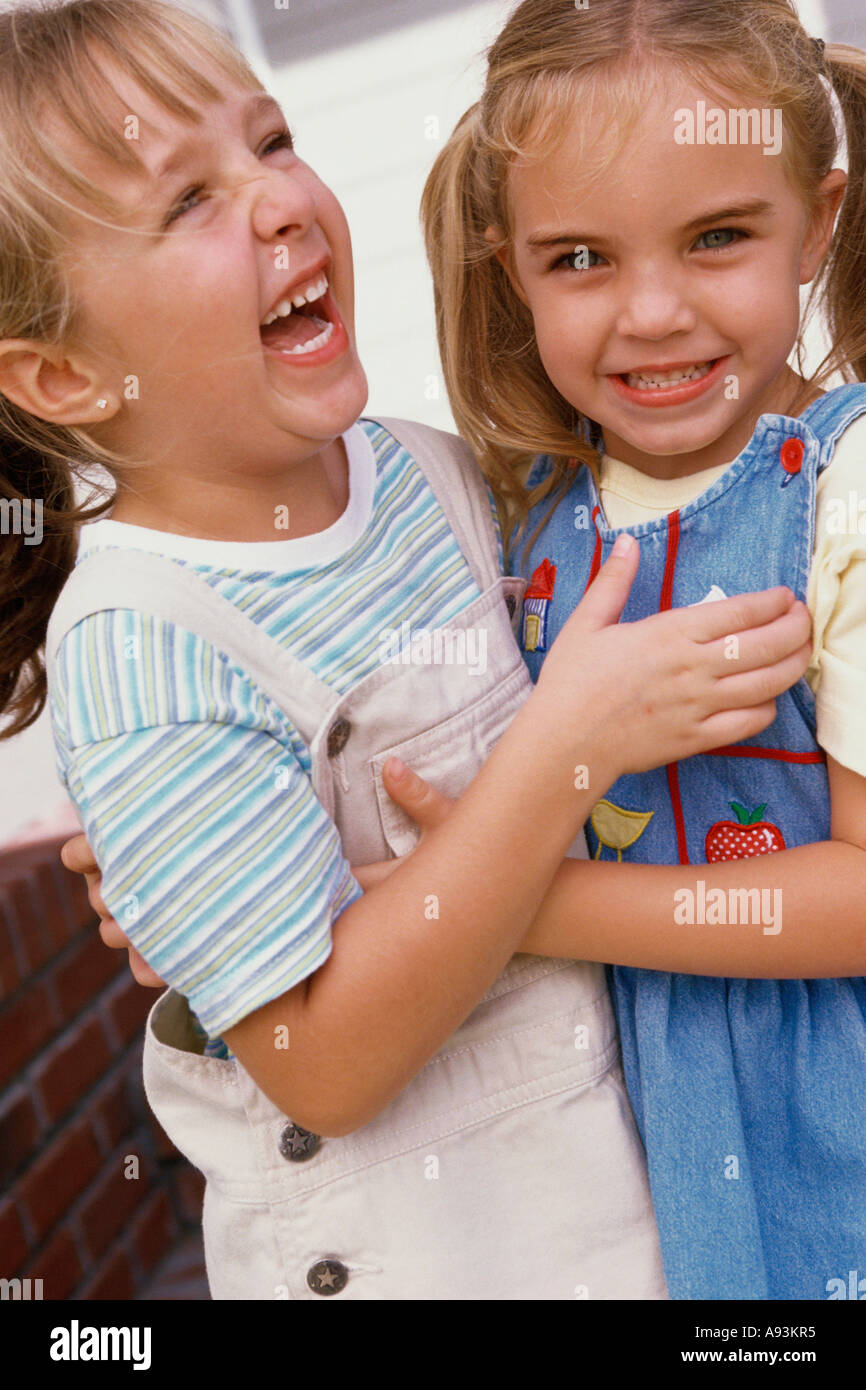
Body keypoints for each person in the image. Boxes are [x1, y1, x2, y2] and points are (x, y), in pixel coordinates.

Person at [0, 0, 810, 1302]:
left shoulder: (431, 480)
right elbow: (322, 1065)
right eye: (185, 202)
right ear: (62, 380)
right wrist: (564, 750)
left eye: (270, 139)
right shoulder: (143, 646)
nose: (274, 200)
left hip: (617, 1205)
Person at [412, 0, 866, 1299]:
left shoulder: (838, 490)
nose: (651, 312)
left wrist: (521, 902)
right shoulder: (524, 520)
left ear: (816, 223)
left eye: (716, 236)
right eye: (579, 260)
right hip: (618, 1137)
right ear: (511, 268)